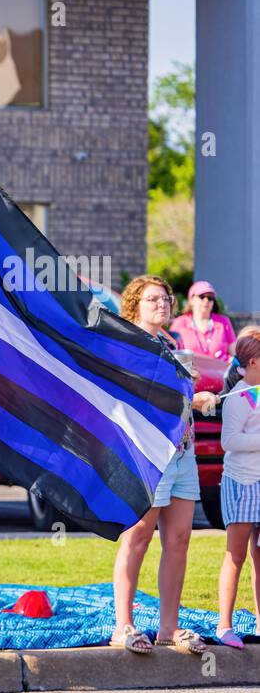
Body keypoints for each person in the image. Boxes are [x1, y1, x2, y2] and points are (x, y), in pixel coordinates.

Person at [110, 275, 213, 654]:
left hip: (183, 452)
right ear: (135, 305)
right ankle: (123, 626)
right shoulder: (128, 344)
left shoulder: (172, 345)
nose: (163, 304)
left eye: (167, 299)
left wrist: (193, 396)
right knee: (137, 535)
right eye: (154, 299)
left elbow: (176, 400)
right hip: (148, 454)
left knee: (179, 539)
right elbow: (132, 397)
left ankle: (168, 628)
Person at [215, 330, 260, 649]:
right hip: (241, 484)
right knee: (237, 555)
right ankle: (224, 625)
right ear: (255, 361)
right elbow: (228, 441)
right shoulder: (239, 397)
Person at [169, 280, 235, 361]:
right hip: (190, 373)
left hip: (220, 372)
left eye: (210, 298)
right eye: (202, 296)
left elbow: (234, 354)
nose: (206, 300)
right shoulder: (179, 323)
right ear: (191, 300)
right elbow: (171, 354)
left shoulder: (223, 322)